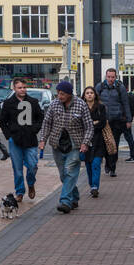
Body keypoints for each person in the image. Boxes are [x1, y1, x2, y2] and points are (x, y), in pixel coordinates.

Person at [38, 80, 93, 214]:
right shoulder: (54, 105)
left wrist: (85, 142)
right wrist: (43, 140)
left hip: (75, 145)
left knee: (70, 171)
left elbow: (89, 126)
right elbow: (47, 123)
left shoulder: (80, 105)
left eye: (62, 94)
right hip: (57, 144)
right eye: (57, 93)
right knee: (63, 175)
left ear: (69, 94)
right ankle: (74, 197)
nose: (59, 96)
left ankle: (65, 201)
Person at [0, 77, 44, 202]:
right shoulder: (8, 103)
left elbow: (40, 118)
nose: (23, 90)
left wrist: (34, 129)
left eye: (24, 87)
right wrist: (9, 135)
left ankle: (30, 183)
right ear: (14, 88)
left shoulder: (33, 102)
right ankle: (19, 191)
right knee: (17, 169)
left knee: (32, 165)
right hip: (15, 140)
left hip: (30, 140)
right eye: (20, 88)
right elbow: (2, 121)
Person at [95, 68, 131, 177]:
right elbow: (95, 103)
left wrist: (128, 120)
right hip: (104, 121)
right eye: (109, 77)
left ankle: (112, 168)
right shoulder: (99, 87)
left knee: (114, 145)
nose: (110, 79)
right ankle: (107, 163)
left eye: (112, 77)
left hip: (117, 121)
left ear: (116, 77)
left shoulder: (120, 88)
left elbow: (125, 104)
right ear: (106, 76)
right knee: (105, 144)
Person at [81, 85, 109, 198]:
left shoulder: (101, 107)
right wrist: (93, 123)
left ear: (95, 95)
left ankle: (95, 187)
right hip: (86, 141)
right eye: (87, 93)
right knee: (88, 165)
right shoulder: (81, 107)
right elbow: (81, 124)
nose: (89, 95)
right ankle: (91, 184)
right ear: (84, 95)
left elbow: (102, 123)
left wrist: (91, 125)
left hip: (99, 141)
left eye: (91, 93)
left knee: (96, 164)